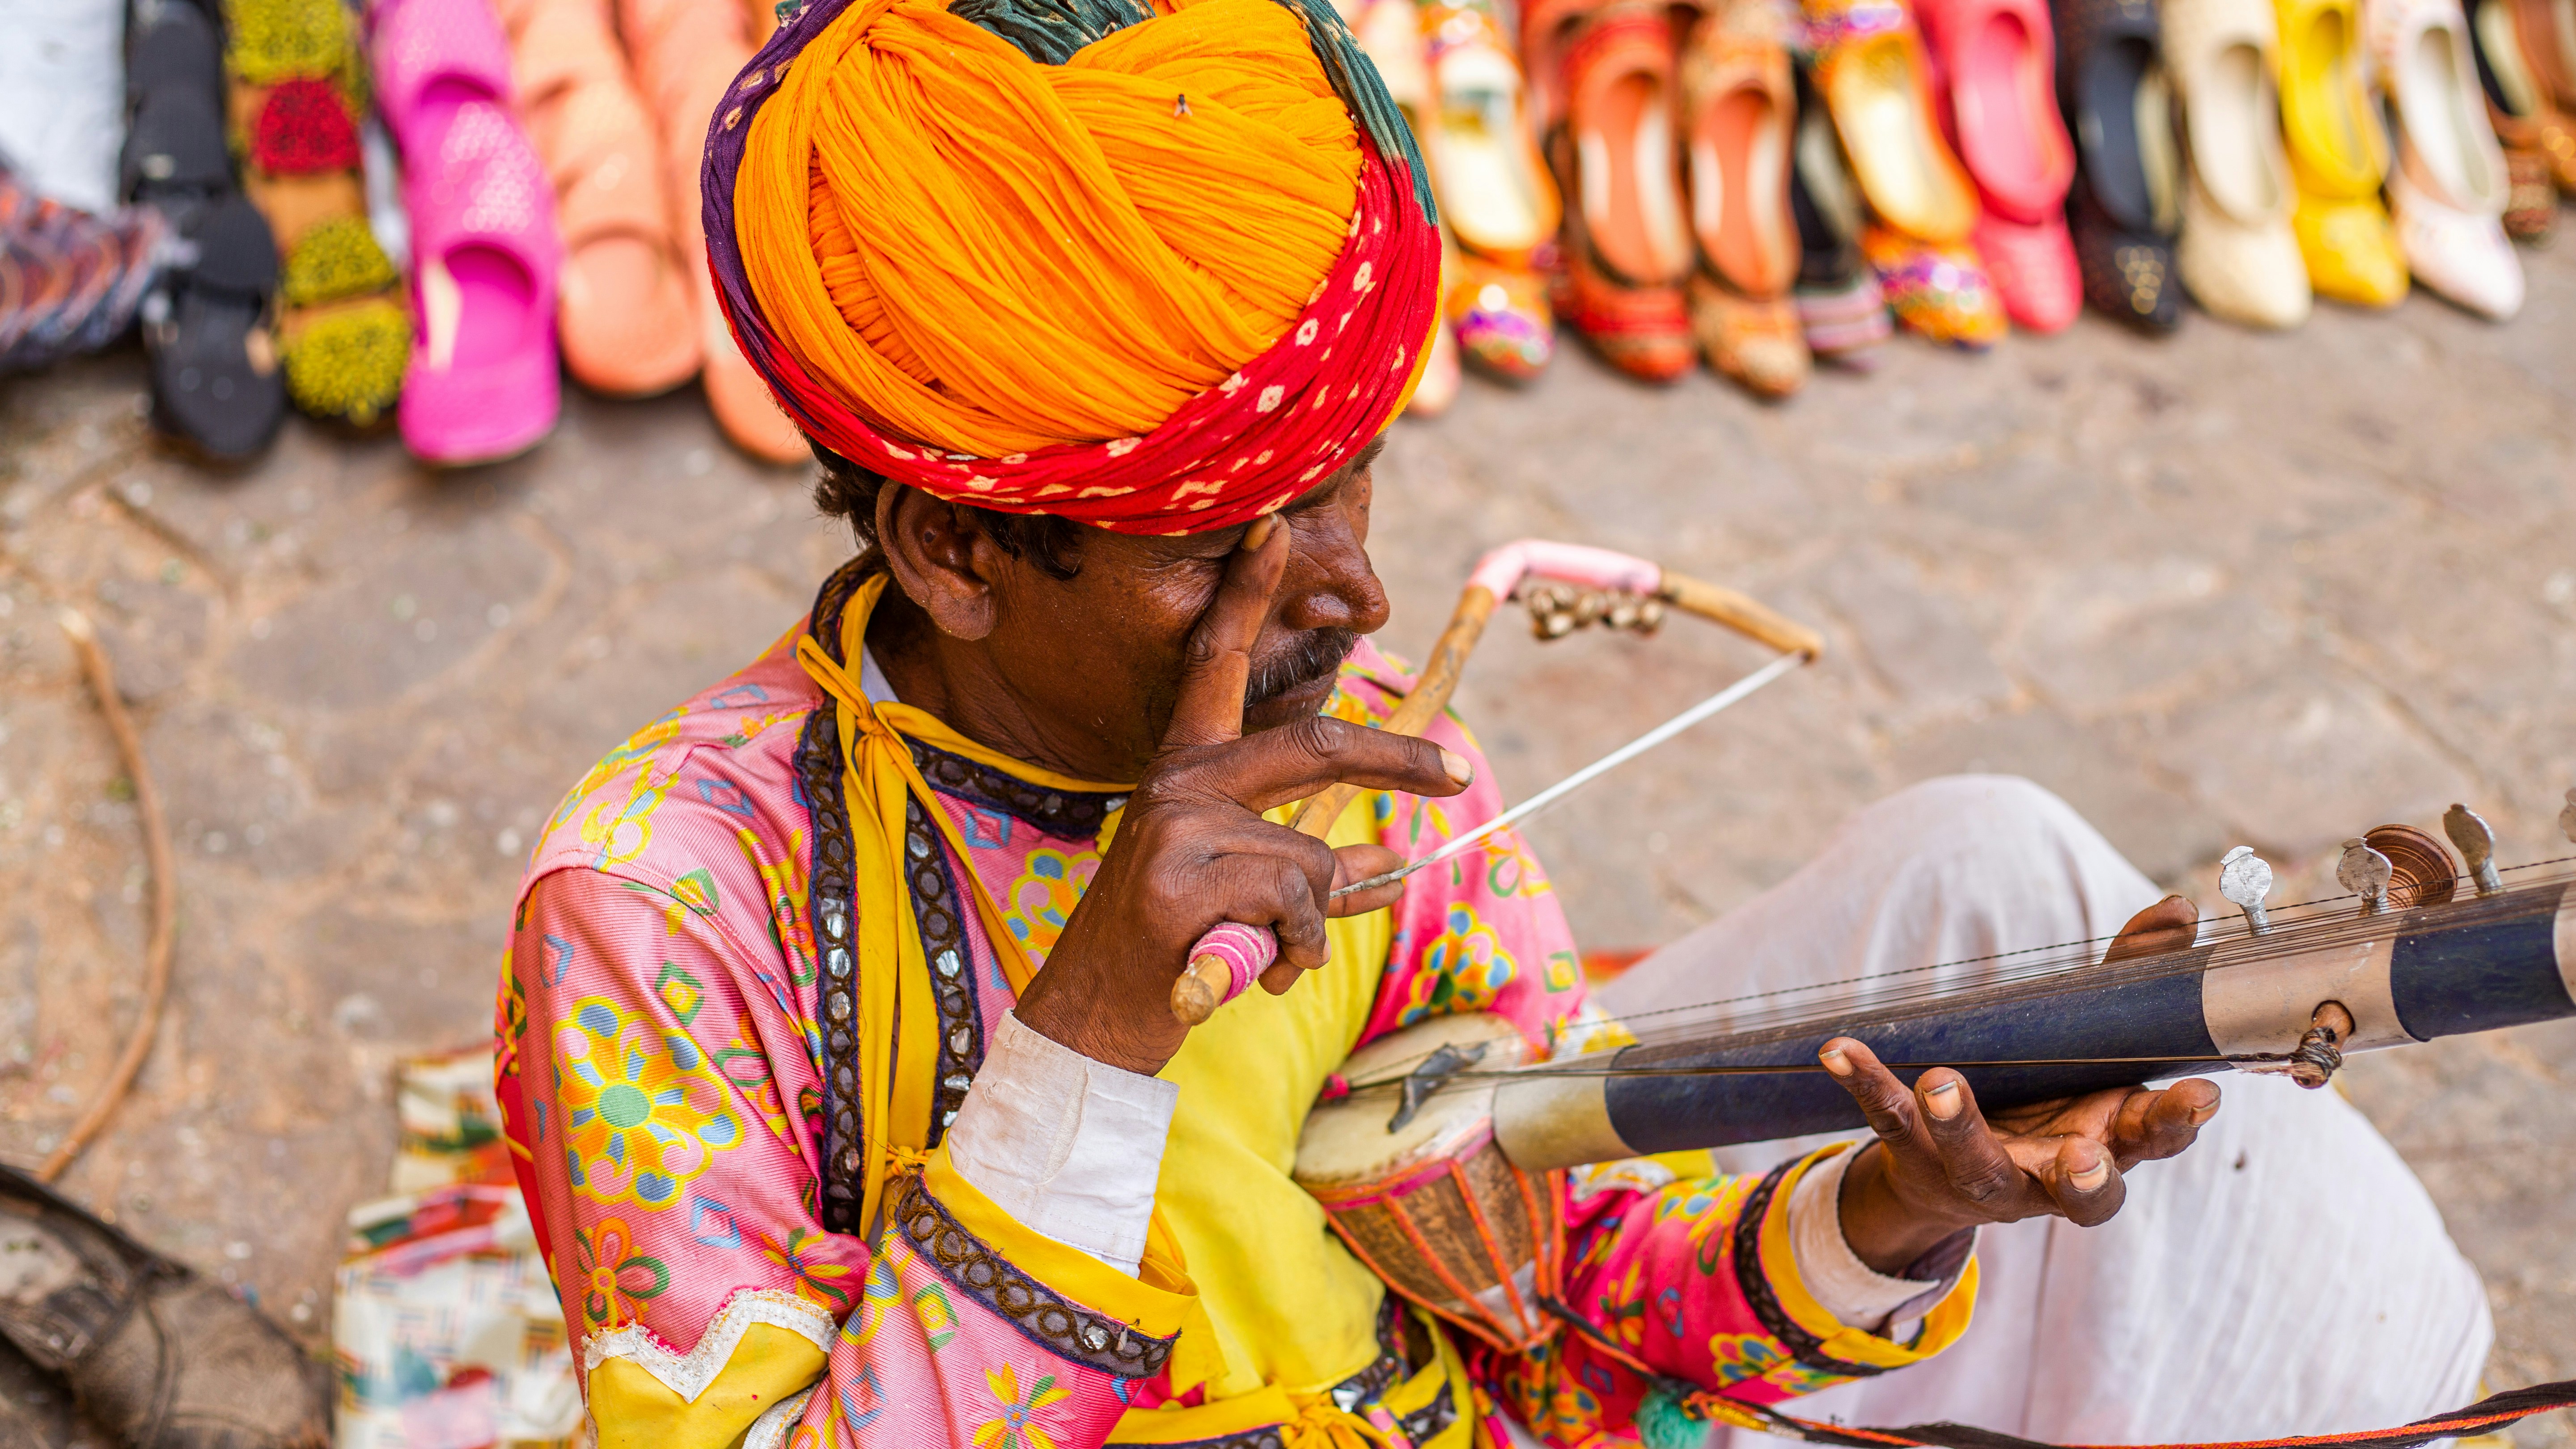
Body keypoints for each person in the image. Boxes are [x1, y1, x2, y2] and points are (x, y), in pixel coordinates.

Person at [494, 2, 2236, 1447]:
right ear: (954, 549)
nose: (1356, 598)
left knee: (1994, 858)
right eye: (1235, 544)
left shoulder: (1371, 772)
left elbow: (1565, 1296)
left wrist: (1898, 1212)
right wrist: (1086, 1043)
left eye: (1352, 488)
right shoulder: (659, 911)